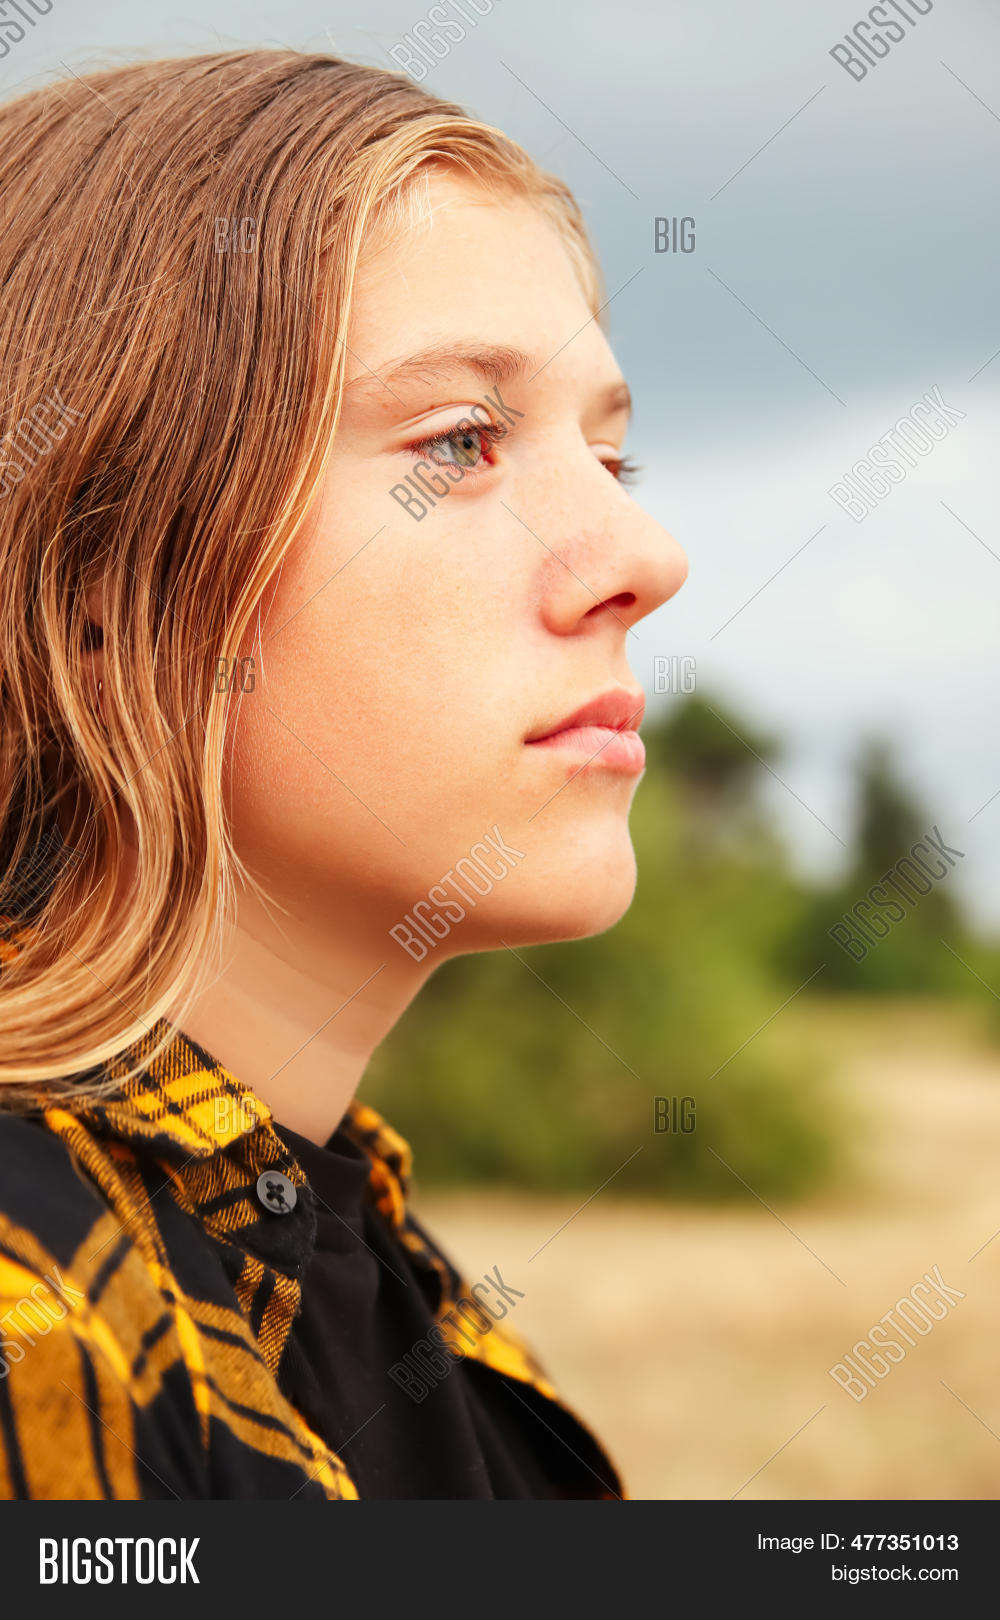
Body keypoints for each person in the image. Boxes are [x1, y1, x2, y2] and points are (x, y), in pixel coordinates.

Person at [0, 49, 688, 1499]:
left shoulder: (375, 1267)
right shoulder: (38, 1317)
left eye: (611, 461)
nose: (644, 558)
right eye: (462, 442)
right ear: (95, 570)